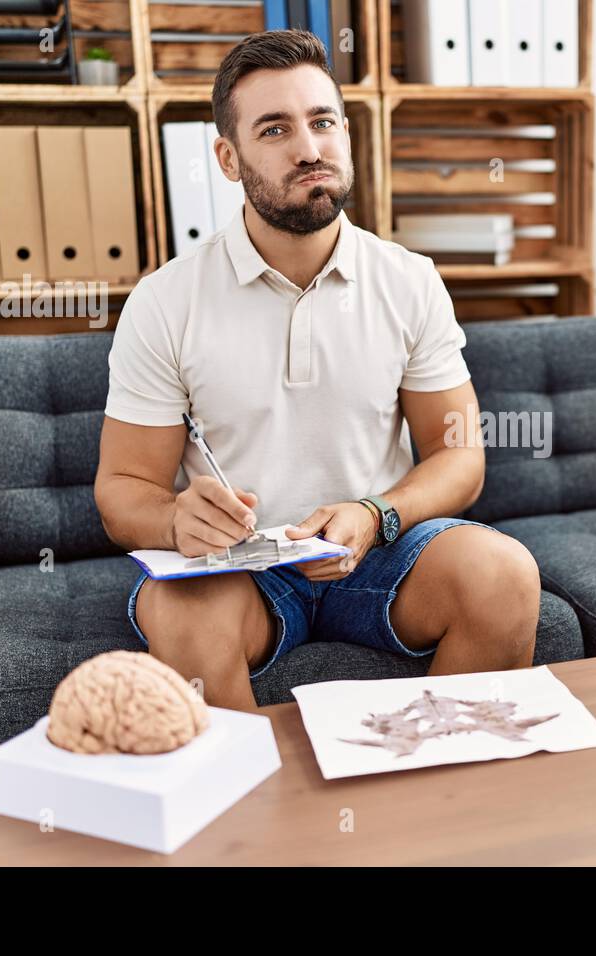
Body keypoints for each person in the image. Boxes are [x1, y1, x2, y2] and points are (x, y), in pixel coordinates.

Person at [94, 30, 541, 713]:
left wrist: (375, 514)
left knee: (504, 574)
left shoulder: (408, 280)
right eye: (275, 129)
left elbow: (459, 456)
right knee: (182, 614)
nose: (309, 148)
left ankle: (442, 802)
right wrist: (178, 518)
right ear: (227, 156)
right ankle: (251, 817)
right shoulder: (165, 301)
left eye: (323, 122)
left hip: (382, 552)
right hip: (242, 567)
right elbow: (123, 491)